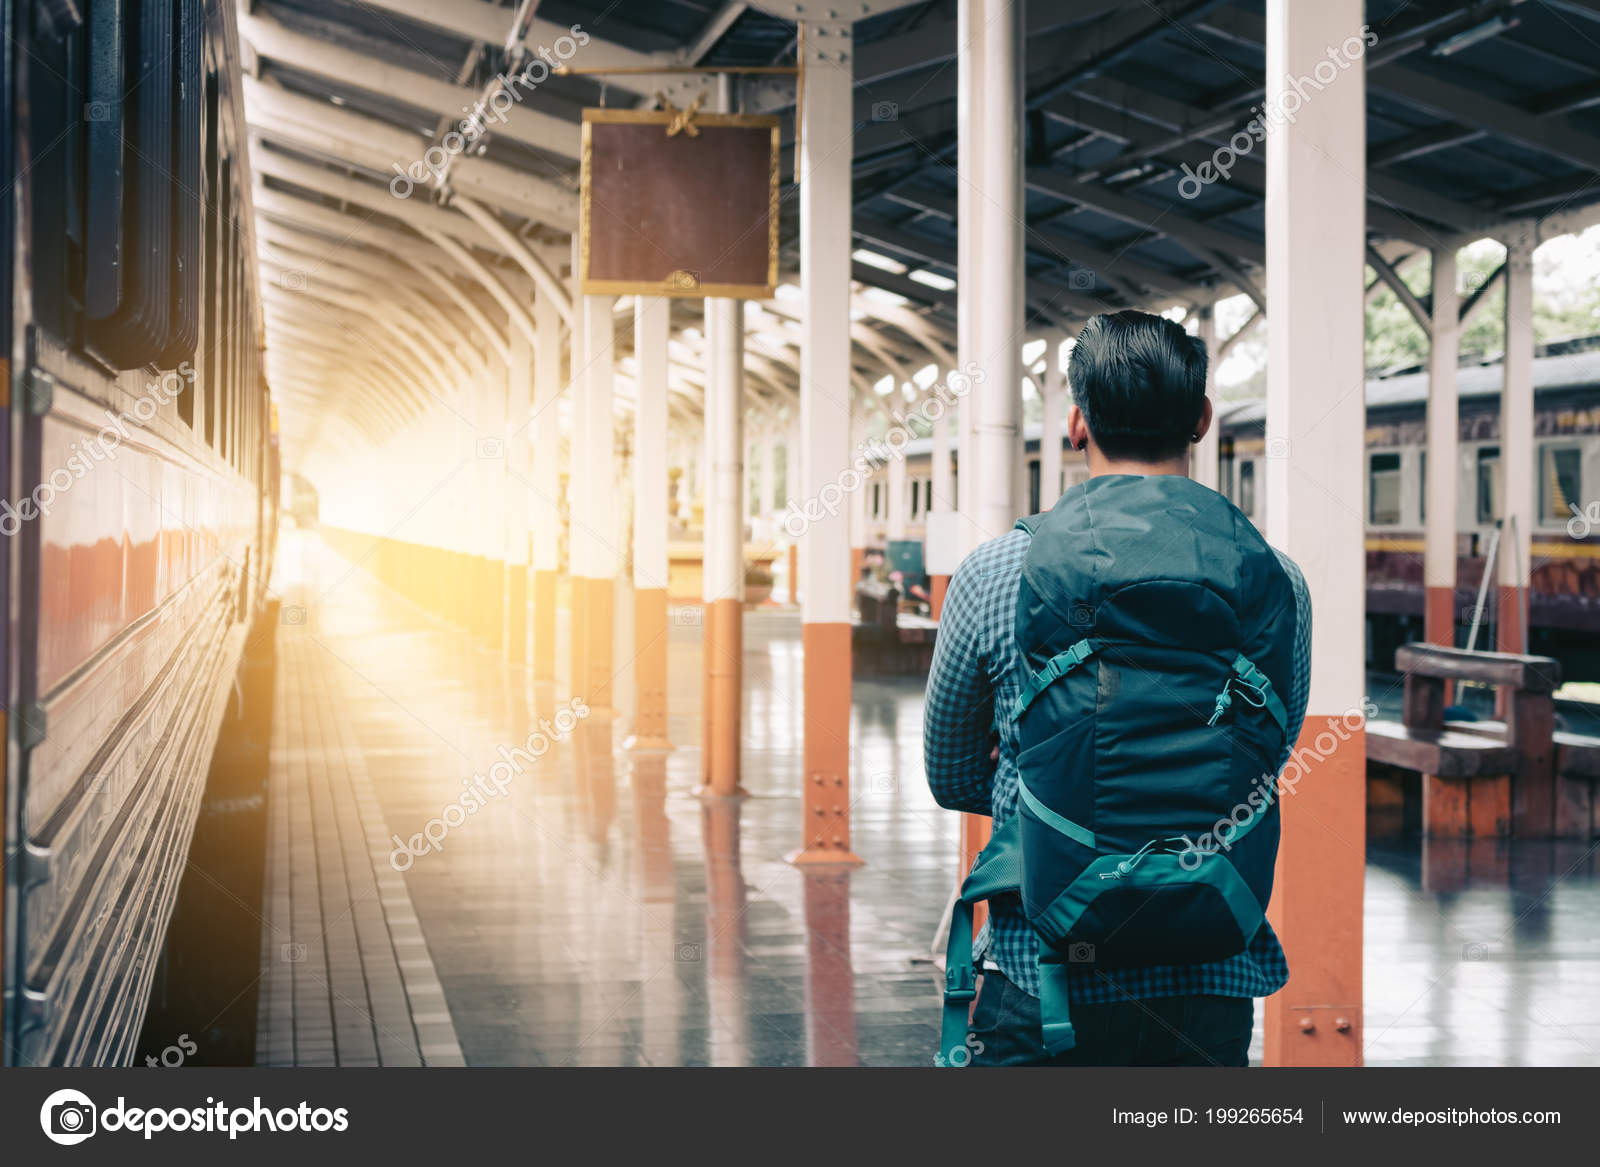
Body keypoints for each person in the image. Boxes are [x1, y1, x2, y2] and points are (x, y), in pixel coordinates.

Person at [923, 310, 1311, 1067]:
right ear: (1201, 420)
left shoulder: (997, 571)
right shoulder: (1275, 578)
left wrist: (1052, 785)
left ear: (1076, 423)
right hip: (1209, 976)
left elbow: (952, 773)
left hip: (1044, 976)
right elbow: (1273, 748)